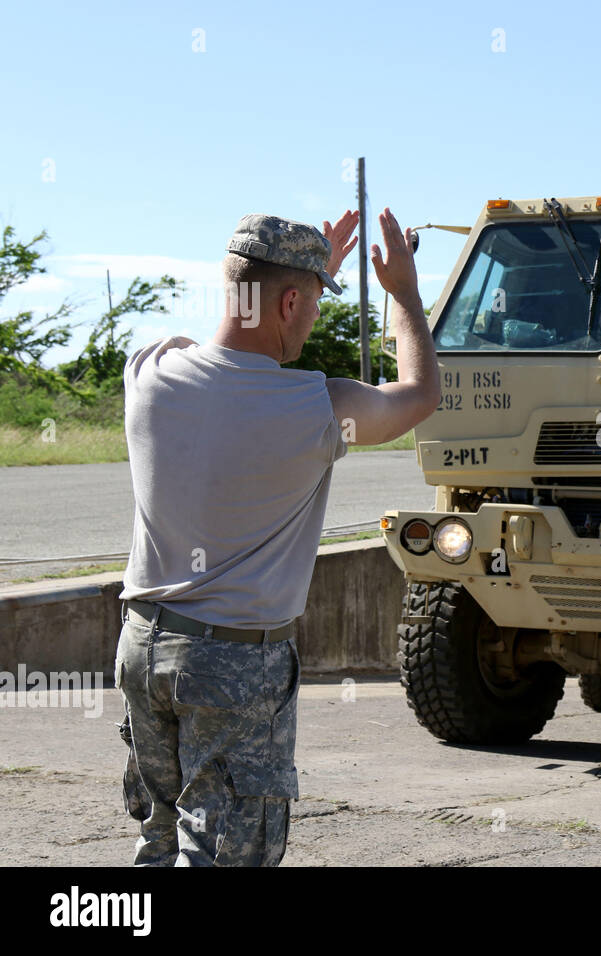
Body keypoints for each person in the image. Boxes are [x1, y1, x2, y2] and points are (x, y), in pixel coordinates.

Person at [114, 208, 440, 866]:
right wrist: (403, 292)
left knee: (158, 843)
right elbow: (419, 394)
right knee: (224, 854)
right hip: (232, 666)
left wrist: (302, 278)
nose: (317, 315)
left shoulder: (147, 372)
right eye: (314, 302)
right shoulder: (319, 410)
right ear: (291, 300)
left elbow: (241, 326)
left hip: (143, 646)